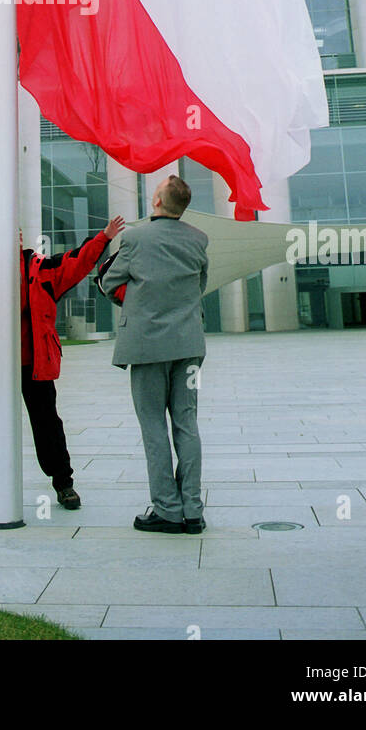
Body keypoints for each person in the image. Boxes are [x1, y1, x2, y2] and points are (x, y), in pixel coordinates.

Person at [0, 216, 125, 513]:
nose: (14, 239)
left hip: (35, 363)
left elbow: (77, 261)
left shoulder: (42, 267)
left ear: (21, 239)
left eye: (17, 235)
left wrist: (103, 237)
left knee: (47, 425)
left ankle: (63, 483)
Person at [100, 174, 207, 534]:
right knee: (187, 423)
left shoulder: (133, 238)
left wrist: (142, 300)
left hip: (147, 348)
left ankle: (167, 510)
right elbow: (199, 287)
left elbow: (109, 282)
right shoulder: (198, 240)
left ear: (158, 202)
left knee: (153, 425)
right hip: (190, 348)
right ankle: (193, 509)